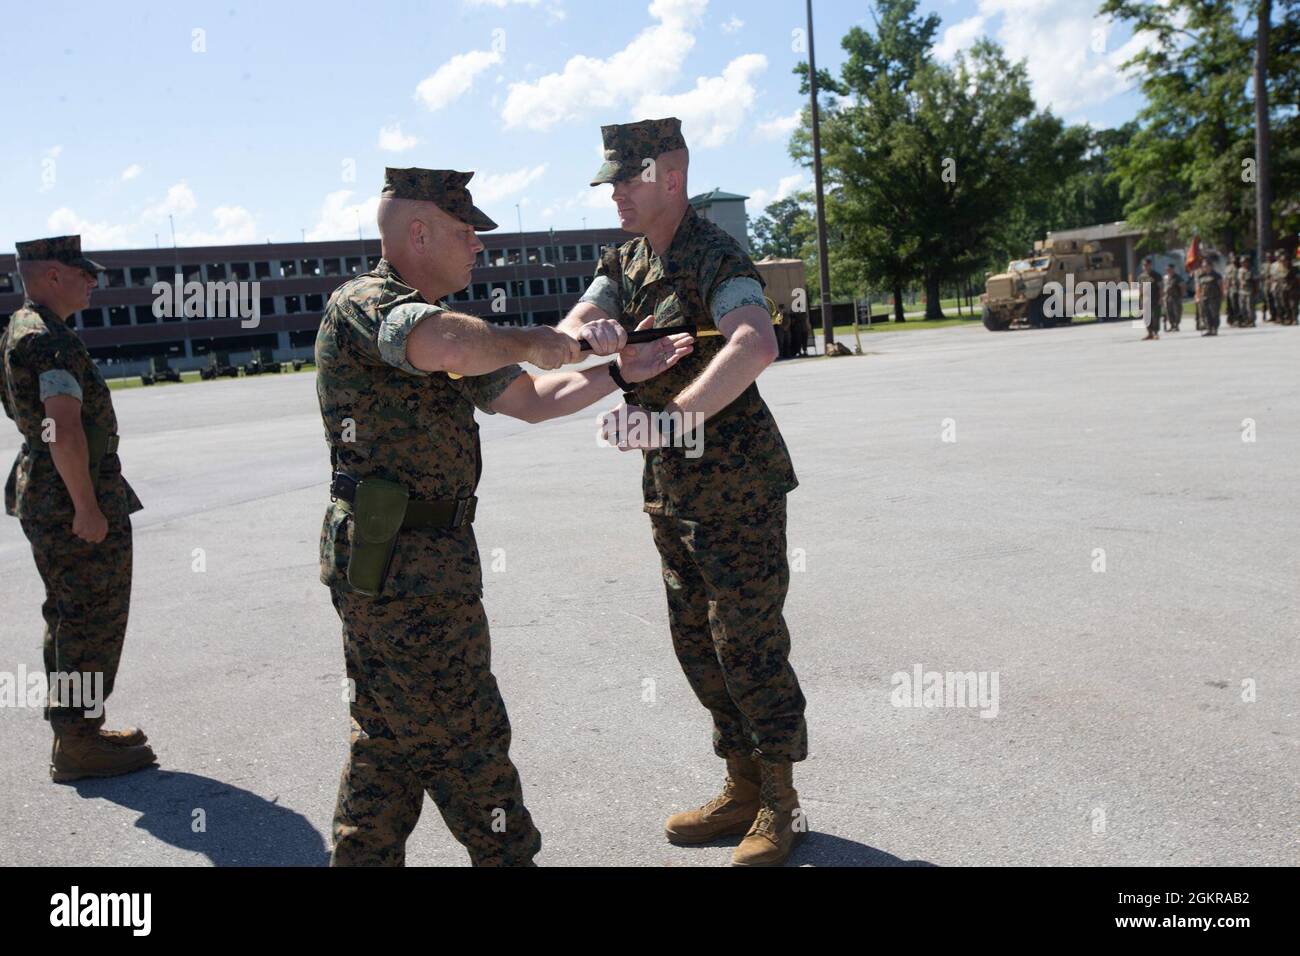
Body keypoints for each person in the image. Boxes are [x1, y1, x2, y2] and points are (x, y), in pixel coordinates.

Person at [316, 167, 693, 866]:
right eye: (467, 233)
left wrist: (618, 374)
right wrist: (530, 336)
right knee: (466, 734)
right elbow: (451, 345)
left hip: (424, 553)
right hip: (398, 560)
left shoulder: (452, 328)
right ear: (419, 233)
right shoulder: (370, 303)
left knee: (390, 739)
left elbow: (532, 399)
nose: (479, 248)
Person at [559, 118, 808, 866]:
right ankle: (739, 785)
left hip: (736, 488)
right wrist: (596, 330)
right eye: (608, 182)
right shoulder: (627, 258)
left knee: (749, 643)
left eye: (625, 181)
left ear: (671, 176)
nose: (613, 195)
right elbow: (573, 323)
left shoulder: (714, 254)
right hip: (671, 492)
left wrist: (669, 423)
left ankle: (780, 801)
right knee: (697, 643)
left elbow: (754, 343)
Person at [1, 235, 156, 783]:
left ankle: (77, 730)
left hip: (51, 492)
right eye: (82, 272)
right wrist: (86, 508)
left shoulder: (27, 328)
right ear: (50, 275)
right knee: (91, 618)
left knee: (71, 615)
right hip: (71, 494)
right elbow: (62, 428)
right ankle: (79, 741)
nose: (93, 281)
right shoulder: (47, 339)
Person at [1162, 264, 1184, 332]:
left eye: (1169, 269)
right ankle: (1172, 325)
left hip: (1176, 297)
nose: (1168, 271)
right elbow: (1163, 287)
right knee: (1168, 312)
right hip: (1167, 297)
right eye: (1167, 269)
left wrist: (1181, 296)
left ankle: (1176, 325)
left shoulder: (1177, 278)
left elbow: (1183, 286)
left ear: (1173, 269)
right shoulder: (1165, 278)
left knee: (1177, 312)